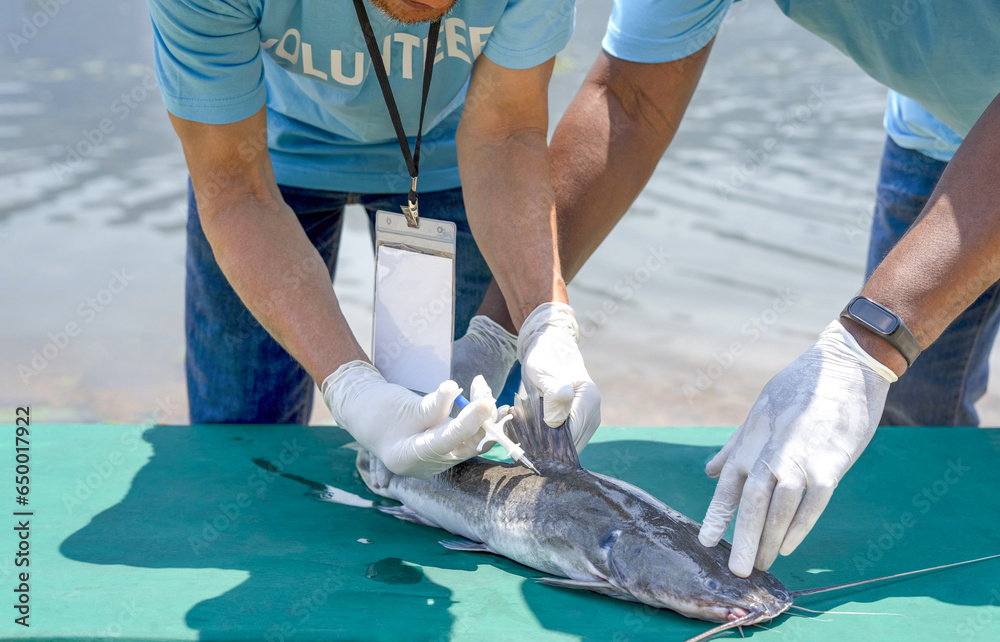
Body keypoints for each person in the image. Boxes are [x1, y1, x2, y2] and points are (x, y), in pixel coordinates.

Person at [534, 0, 1000, 577]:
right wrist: (514, 319)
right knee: (910, 436)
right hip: (935, 138)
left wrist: (863, 349)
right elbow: (627, 100)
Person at [147, 0, 600, 479]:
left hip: (456, 157)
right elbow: (235, 188)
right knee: (241, 452)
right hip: (262, 157)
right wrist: (351, 385)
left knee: (475, 452)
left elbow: (505, 133)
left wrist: (543, 321)